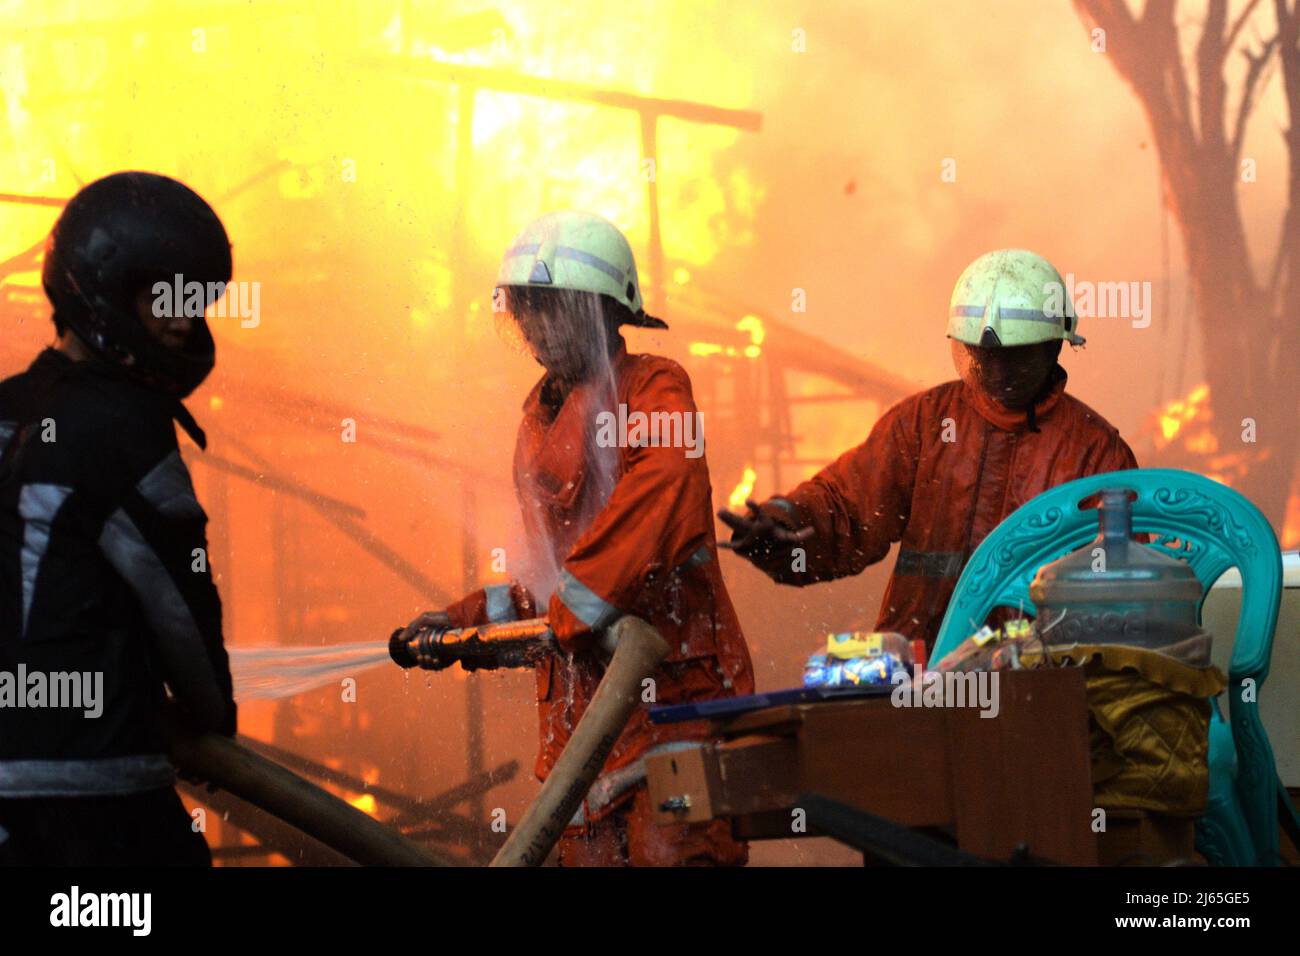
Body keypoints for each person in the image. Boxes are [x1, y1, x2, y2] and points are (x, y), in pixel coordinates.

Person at [400, 211, 754, 866]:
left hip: (675, 702)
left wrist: (583, 601)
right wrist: (467, 624)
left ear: (608, 310)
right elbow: (547, 587)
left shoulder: (654, 388)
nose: (540, 328)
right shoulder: (537, 419)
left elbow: (665, 484)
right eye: (528, 311)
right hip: (577, 728)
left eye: (556, 310)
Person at [719, 249, 1139, 651]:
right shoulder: (924, 425)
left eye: (1015, 357)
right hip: (920, 675)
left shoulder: (1096, 455)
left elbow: (1125, 592)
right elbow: (849, 504)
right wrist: (785, 525)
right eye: (983, 355)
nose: (997, 371)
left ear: (1054, 347)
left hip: (1042, 684)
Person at [0, 171, 236, 866]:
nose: (180, 320)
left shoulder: (8, 405)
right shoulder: (126, 431)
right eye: (161, 295)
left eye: (193, 300)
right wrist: (213, 718)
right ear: (103, 291)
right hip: (88, 797)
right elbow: (179, 612)